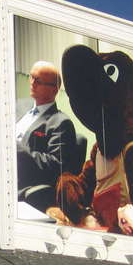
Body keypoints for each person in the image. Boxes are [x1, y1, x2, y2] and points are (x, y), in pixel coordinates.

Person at [15, 61, 78, 213]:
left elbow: (57, 164)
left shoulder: (60, 122)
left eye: (39, 81)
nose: (32, 83)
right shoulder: (19, 106)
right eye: (32, 77)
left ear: (54, 90)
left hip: (24, 185)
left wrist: (17, 150)